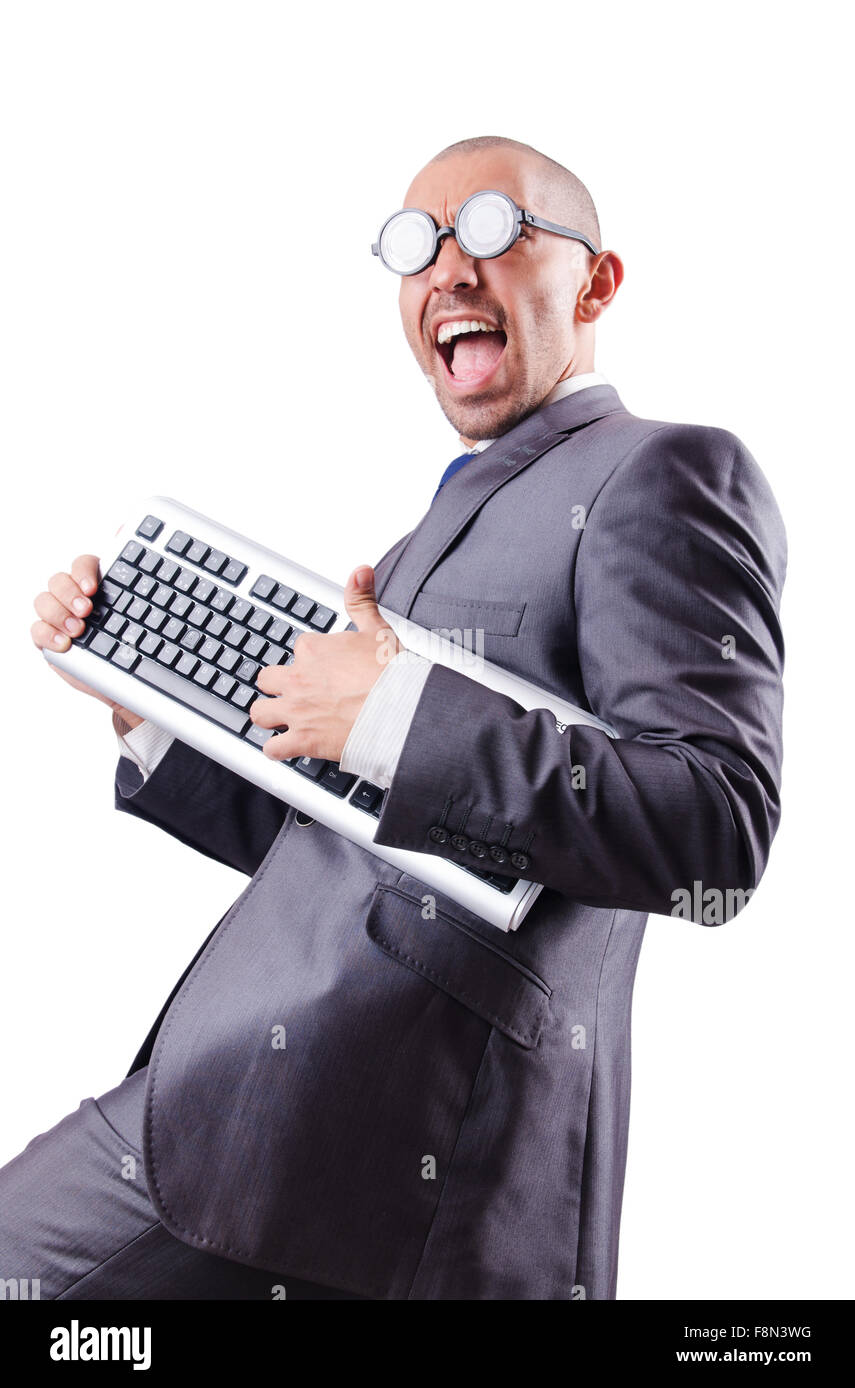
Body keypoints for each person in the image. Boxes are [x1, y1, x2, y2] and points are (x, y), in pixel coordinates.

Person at [2, 134, 786, 1301]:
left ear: (598, 282)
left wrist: (395, 712)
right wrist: (148, 709)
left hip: (387, 1142)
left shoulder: (663, 472)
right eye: (416, 247)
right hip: (281, 1124)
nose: (447, 274)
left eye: (488, 230)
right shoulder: (423, 543)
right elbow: (350, 845)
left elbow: (713, 825)